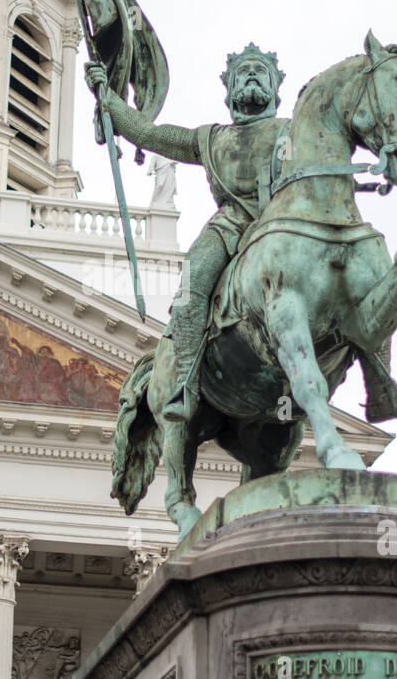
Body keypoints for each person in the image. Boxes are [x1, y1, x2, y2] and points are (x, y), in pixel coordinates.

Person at [87, 44, 287, 420]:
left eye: (261, 71)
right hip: (229, 227)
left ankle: (375, 376)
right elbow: (148, 134)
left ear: (276, 88)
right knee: (193, 280)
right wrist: (109, 99)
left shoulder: (293, 133)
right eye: (243, 72)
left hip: (284, 224)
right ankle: (184, 384)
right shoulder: (209, 139)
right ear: (229, 90)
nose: (252, 76)